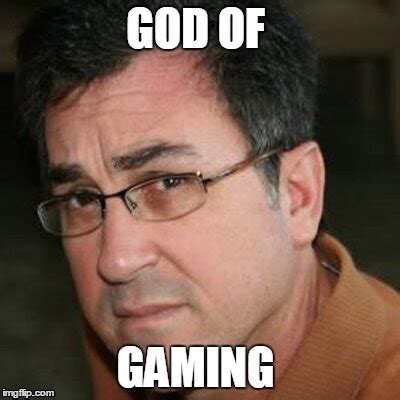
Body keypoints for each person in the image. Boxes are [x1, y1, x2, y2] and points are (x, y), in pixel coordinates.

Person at [15, 0, 400, 399]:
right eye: (81, 198)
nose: (115, 261)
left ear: (298, 194)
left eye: (168, 183)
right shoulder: (141, 330)